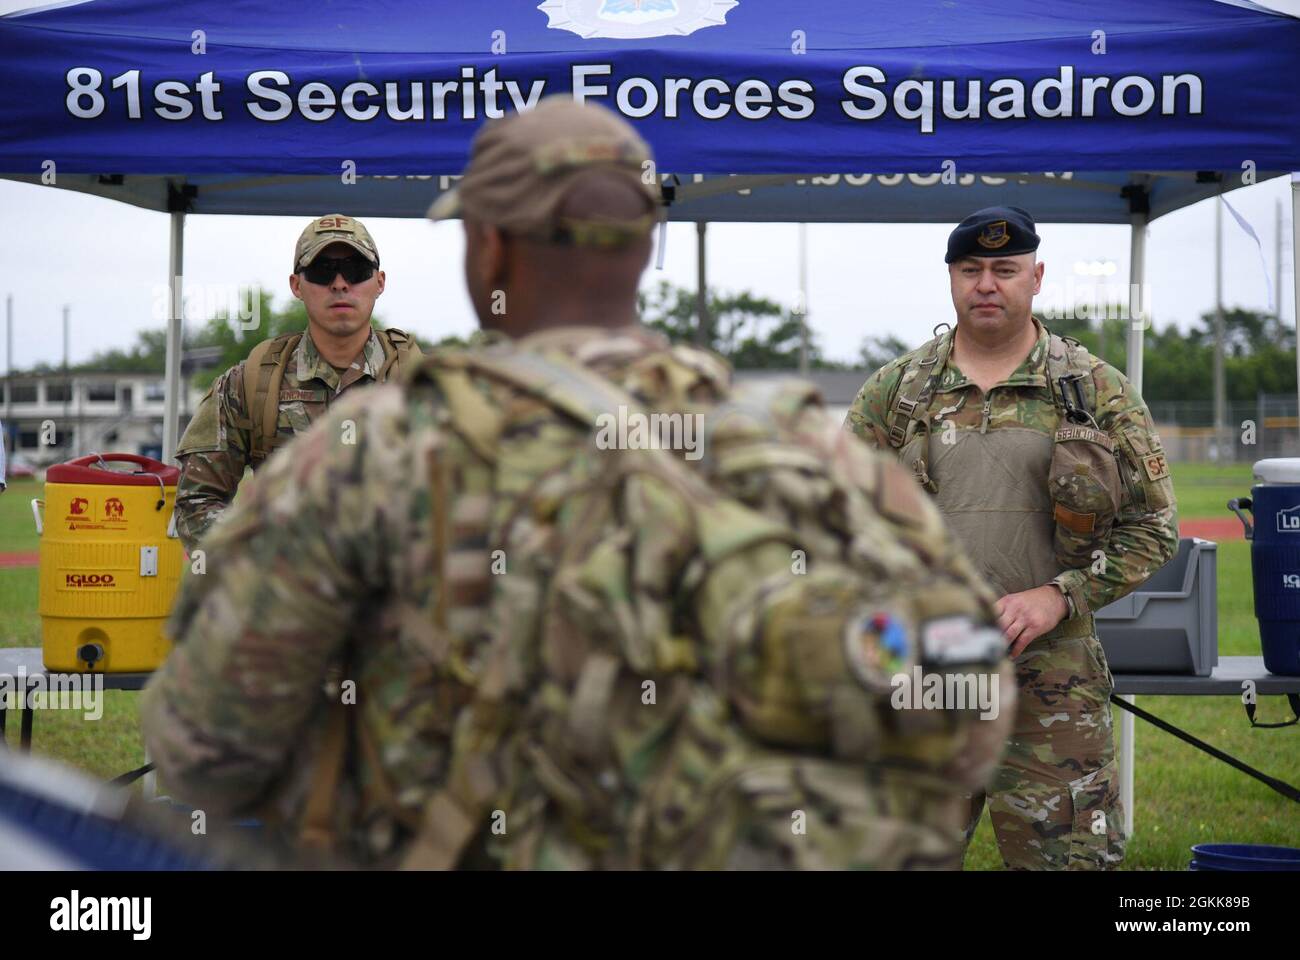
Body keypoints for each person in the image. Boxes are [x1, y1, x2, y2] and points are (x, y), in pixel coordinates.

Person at [141, 98, 1013, 870]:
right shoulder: (804, 448)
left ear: (487, 248)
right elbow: (970, 704)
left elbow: (202, 750)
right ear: (643, 249)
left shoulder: (370, 458)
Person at [844, 205, 1179, 870]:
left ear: (1037, 276)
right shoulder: (897, 393)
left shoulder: (1095, 391)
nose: (987, 284)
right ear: (950, 279)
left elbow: (1153, 528)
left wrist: (1061, 595)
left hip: (1054, 680)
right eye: (972, 270)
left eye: (1005, 269)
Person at [172, 214, 421, 553]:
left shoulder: (423, 385)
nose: (339, 284)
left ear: (379, 282)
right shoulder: (250, 383)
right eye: (321, 271)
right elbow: (197, 501)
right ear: (296, 285)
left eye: (355, 270)